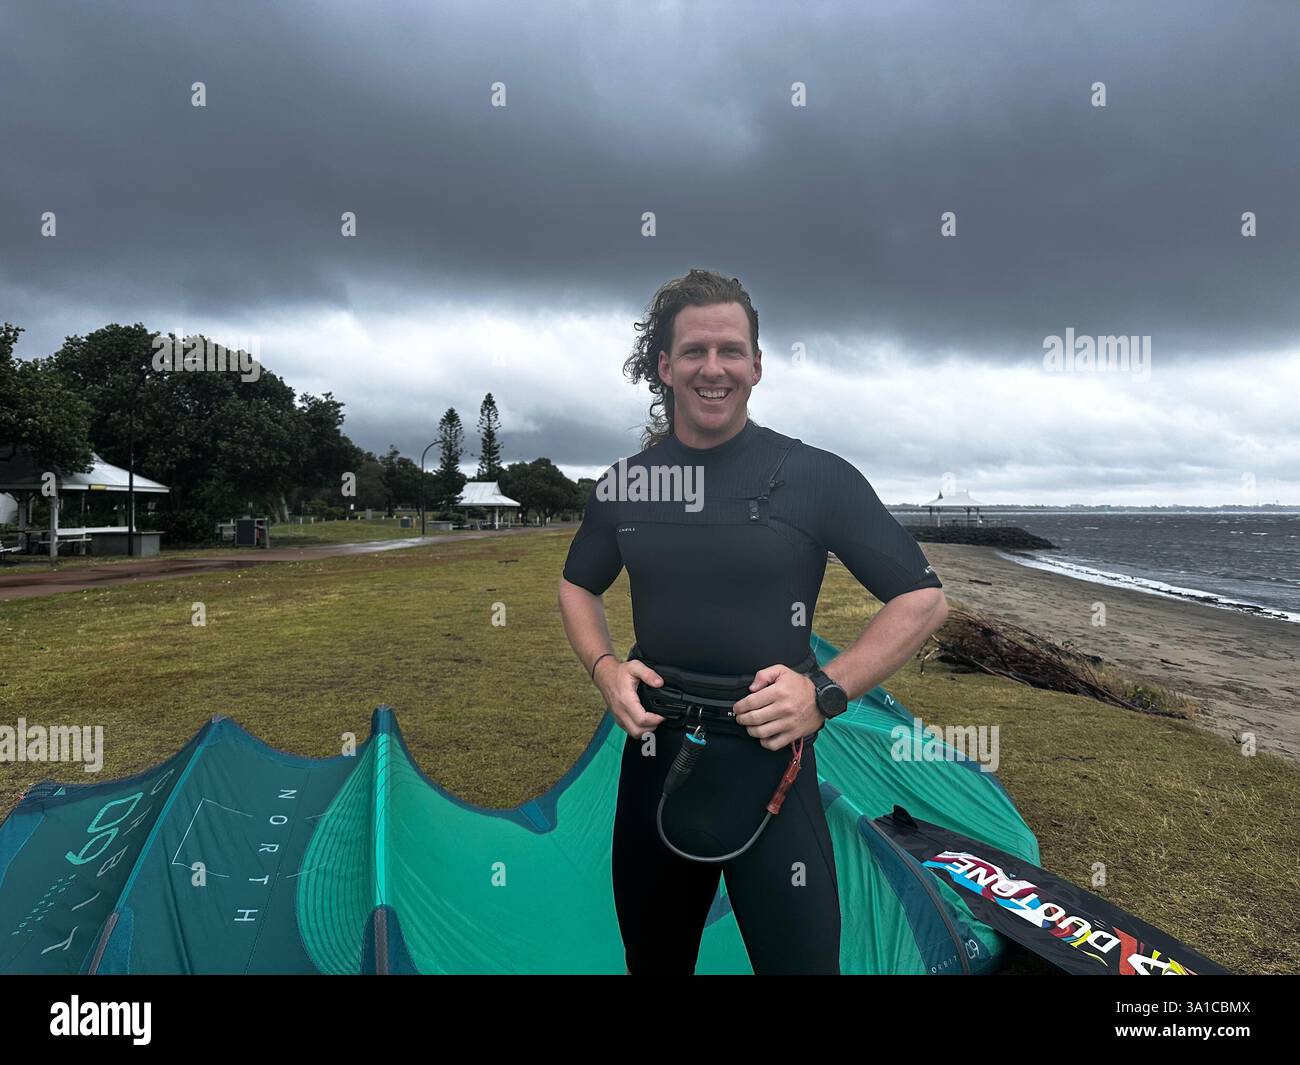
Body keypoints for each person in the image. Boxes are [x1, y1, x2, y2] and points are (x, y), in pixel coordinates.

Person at [557, 269, 949, 975]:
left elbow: (921, 598)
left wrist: (825, 691)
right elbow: (577, 585)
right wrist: (605, 667)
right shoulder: (626, 484)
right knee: (654, 959)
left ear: (758, 365)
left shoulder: (814, 477)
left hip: (775, 761)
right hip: (656, 759)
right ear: (664, 366)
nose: (715, 368)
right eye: (696, 351)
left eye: (732, 350)